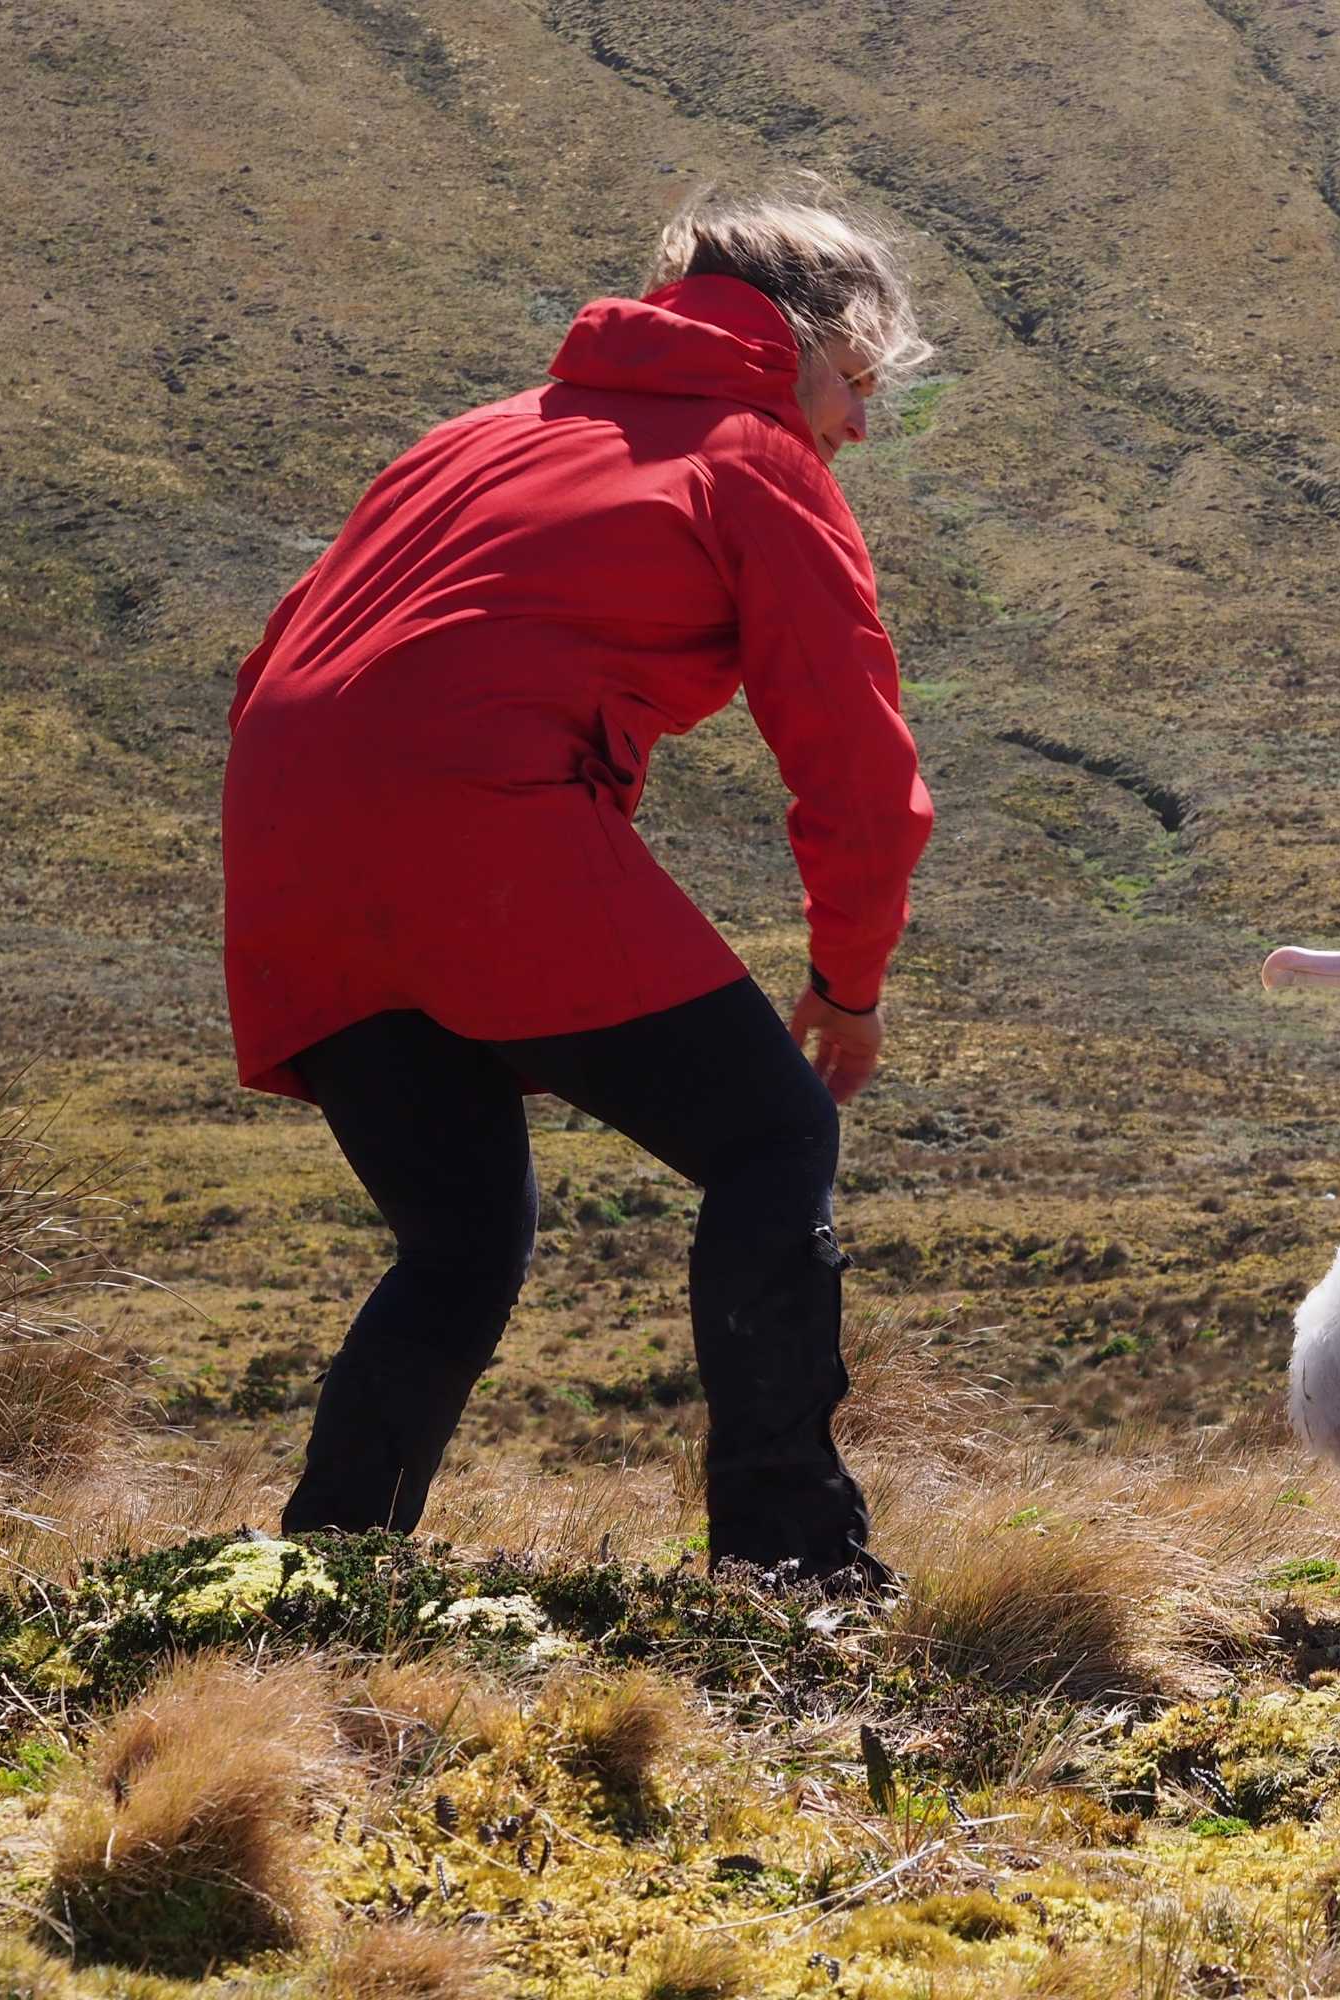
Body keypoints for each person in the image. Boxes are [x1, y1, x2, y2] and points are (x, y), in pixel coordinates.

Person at [221, 188, 936, 1587]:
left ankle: (325, 1583)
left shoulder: (468, 437)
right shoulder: (754, 456)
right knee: (774, 1140)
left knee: (462, 1237)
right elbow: (855, 770)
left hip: (286, 843)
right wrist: (848, 987)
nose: (858, 426)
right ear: (803, 343)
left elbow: (285, 657)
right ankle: (790, 1566)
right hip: (479, 827)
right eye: (858, 384)